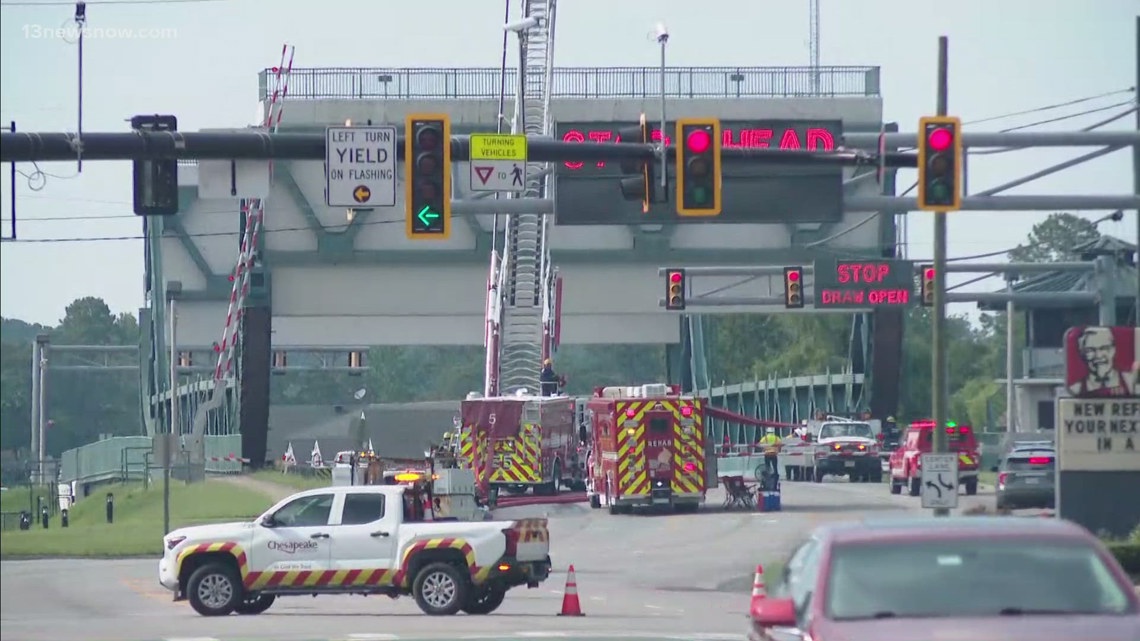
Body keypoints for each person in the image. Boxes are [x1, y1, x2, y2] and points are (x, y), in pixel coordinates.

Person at [1068, 327, 1136, 397]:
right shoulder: (1074, 389)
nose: (1098, 356)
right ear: (1082, 354)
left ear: (1113, 350)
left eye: (1104, 348)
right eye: (1090, 350)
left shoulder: (1131, 382)